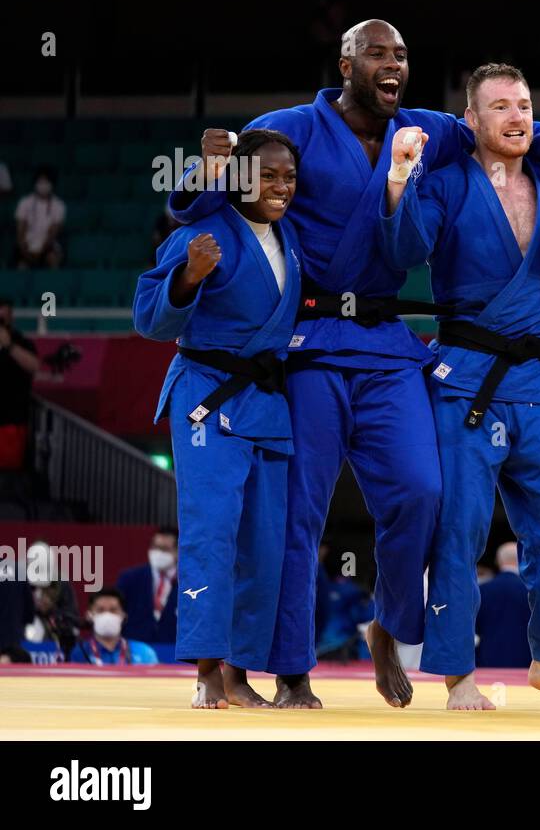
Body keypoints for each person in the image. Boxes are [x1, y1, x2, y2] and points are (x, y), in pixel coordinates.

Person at [169, 20, 540, 710]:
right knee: (299, 513)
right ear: (346, 65)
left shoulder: (429, 127)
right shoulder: (291, 127)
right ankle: (291, 670)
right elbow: (212, 195)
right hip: (311, 340)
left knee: (421, 492)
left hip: (389, 342)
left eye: (401, 54)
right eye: (378, 53)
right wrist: (200, 173)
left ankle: (389, 625)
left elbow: (504, 129)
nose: (393, 64)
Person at [376, 63, 540, 712]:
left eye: (525, 105)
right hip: (464, 373)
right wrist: (399, 178)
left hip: (535, 377)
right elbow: (404, 250)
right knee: (460, 528)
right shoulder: (447, 179)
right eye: (501, 107)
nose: (516, 117)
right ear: (472, 121)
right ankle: (457, 673)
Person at [136, 129, 304, 708]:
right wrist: (187, 277)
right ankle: (207, 668)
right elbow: (149, 321)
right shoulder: (199, 234)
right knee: (212, 528)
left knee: (263, 542)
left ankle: (239, 671)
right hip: (207, 392)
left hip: (266, 400)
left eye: (288, 177)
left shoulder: (291, 239)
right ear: (236, 178)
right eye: (266, 175)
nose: (280, 187)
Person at [116, 527, 179, 649]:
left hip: (173, 651)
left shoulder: (189, 583)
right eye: (155, 547)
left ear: (178, 551)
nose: (158, 553)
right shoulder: (130, 578)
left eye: (165, 549)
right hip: (135, 651)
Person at [474, 542, 532, 669]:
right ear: (523, 560)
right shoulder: (533, 593)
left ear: (498, 561)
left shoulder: (482, 590)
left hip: (487, 658)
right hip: (526, 660)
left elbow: (472, 626)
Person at [0, 297, 41, 471]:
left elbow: (34, 365)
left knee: (8, 477)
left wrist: (9, 346)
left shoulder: (21, 342)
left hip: (11, 422)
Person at [68, 589, 159, 666]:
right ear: (89, 615)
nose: (107, 615)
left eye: (113, 610)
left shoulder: (144, 652)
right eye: (100, 610)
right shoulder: (80, 652)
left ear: (123, 615)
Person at [14, 166, 65, 269]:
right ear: (35, 183)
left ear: (52, 184)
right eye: (40, 182)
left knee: (53, 259)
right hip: (27, 244)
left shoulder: (59, 205)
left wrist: (41, 251)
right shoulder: (25, 202)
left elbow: (53, 233)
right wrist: (25, 250)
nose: (43, 185)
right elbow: (20, 230)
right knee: (22, 266)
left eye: (46, 182)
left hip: (47, 245)